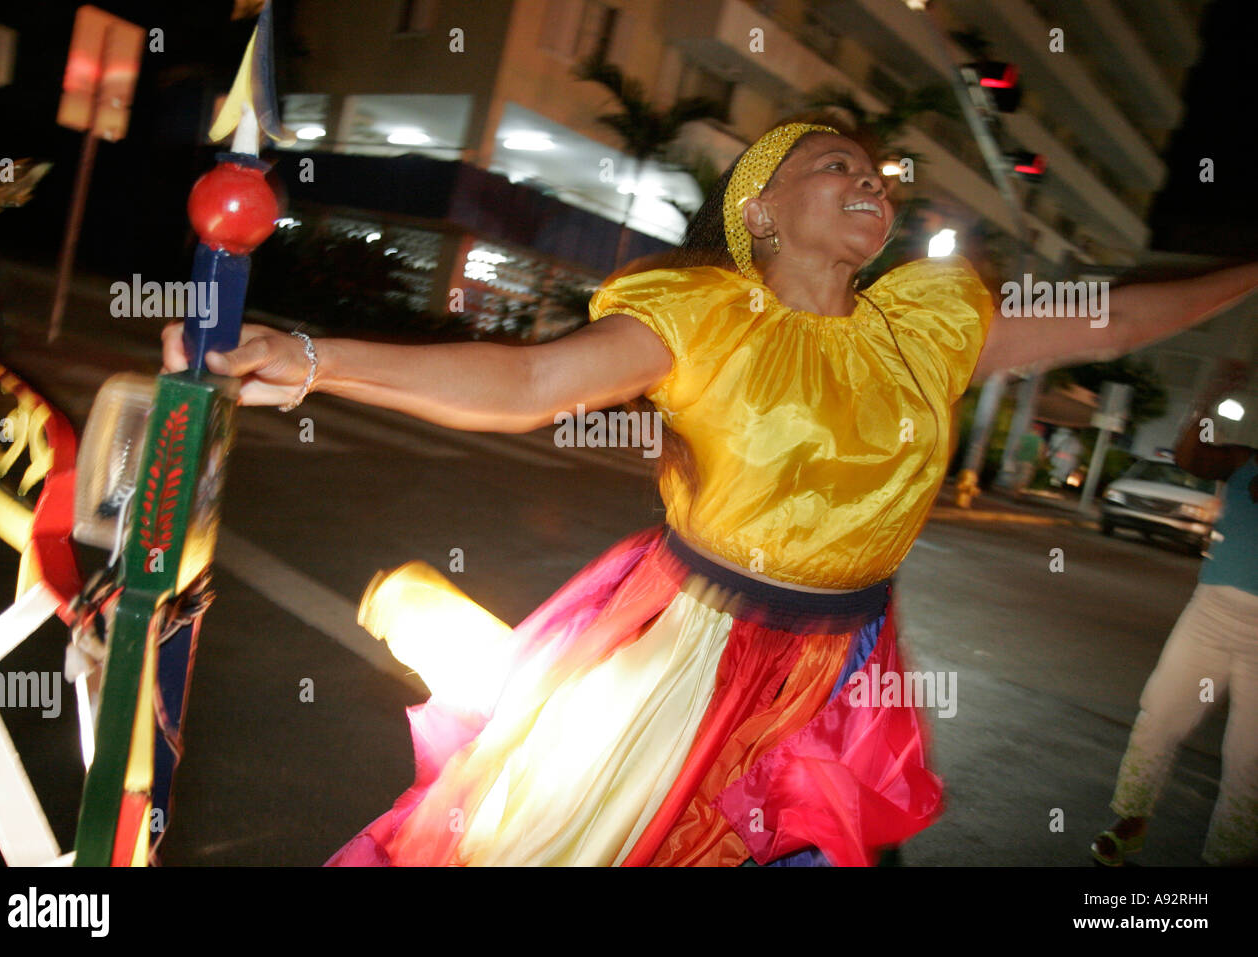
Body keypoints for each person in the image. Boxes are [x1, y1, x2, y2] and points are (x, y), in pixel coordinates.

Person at [164, 121, 1258, 866]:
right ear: (762, 210)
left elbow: (1113, 320)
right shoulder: (706, 316)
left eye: (877, 171)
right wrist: (313, 362)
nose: (872, 181)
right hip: (698, 650)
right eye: (835, 164)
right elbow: (530, 383)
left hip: (847, 658)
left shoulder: (926, 329)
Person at [1093, 364, 1257, 866]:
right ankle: (1129, 822)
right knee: (1159, 716)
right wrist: (1207, 399)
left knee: (1248, 758)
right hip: (1210, 615)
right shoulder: (1244, 461)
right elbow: (1192, 457)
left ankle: (1228, 855)